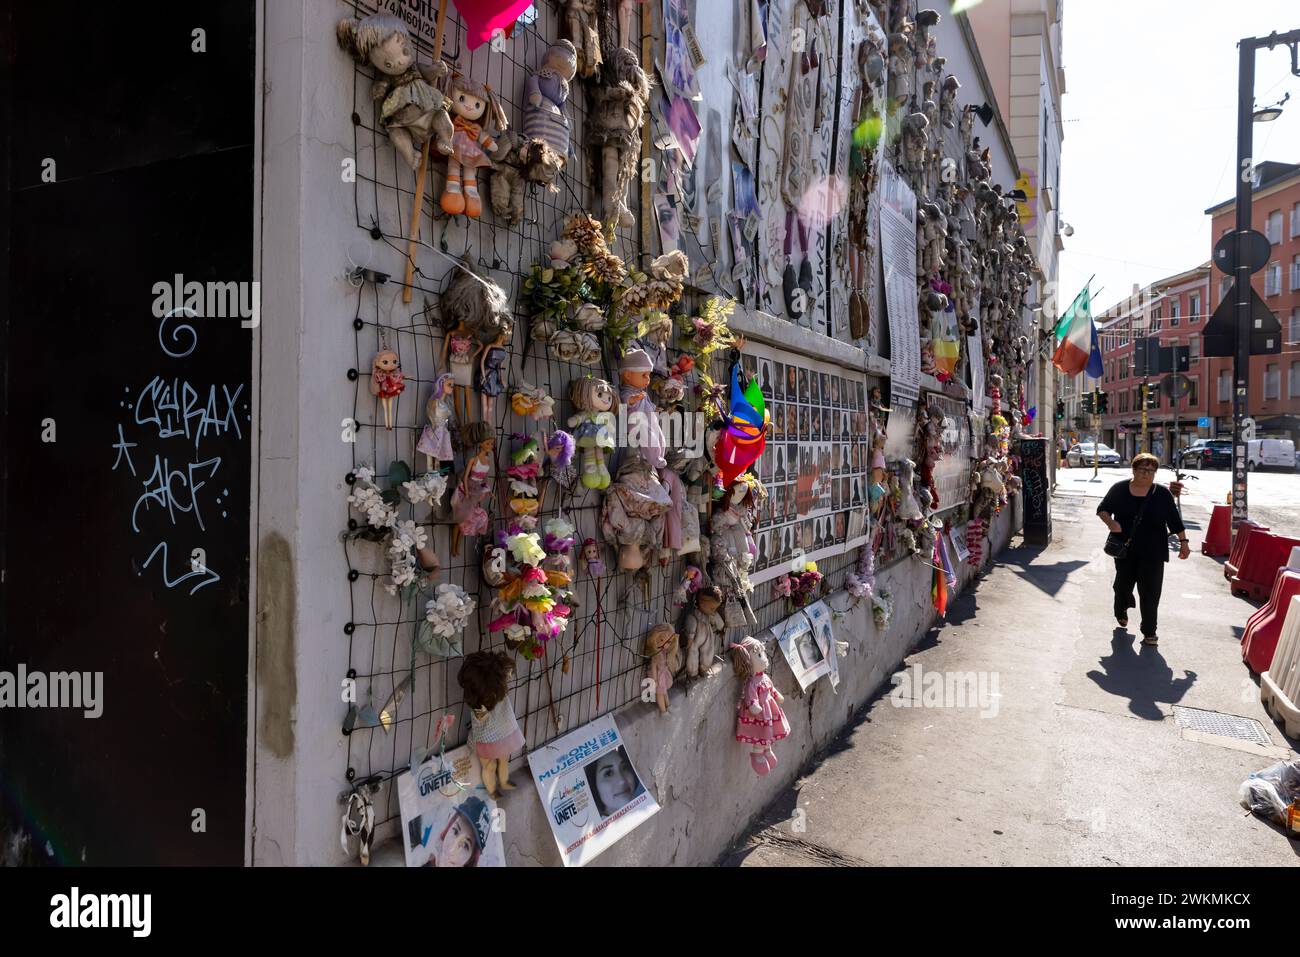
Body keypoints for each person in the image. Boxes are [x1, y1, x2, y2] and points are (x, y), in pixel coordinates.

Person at [1096, 452, 1190, 646]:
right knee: (1122, 586)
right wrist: (1111, 523)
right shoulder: (1120, 489)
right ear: (1133, 470)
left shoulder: (1161, 494)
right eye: (1142, 470)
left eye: (1151, 470)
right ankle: (1121, 609)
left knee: (1151, 592)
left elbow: (1174, 520)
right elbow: (1102, 509)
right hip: (1125, 549)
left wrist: (1184, 542)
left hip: (1154, 550)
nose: (1146, 474)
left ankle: (1149, 631)